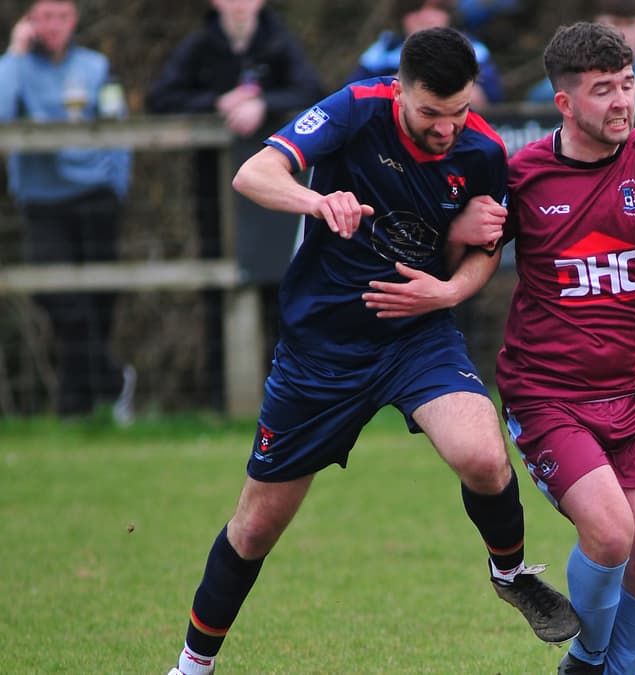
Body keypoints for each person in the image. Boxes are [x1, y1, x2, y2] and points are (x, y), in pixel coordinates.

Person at [367, 21, 635, 675]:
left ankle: (611, 668)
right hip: (549, 397)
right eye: (603, 90)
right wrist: (457, 246)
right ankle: (589, 658)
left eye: (626, 85)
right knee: (611, 530)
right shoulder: (523, 175)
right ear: (564, 103)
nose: (622, 101)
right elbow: (467, 252)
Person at [164, 27, 578, 675]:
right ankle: (193, 665)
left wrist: (444, 292)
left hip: (416, 334)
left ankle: (511, 571)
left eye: (458, 111)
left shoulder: (483, 151)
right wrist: (317, 198)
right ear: (400, 92)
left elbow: (484, 256)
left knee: (481, 451)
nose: (445, 128)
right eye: (429, 113)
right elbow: (254, 173)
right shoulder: (355, 109)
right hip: (321, 348)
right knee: (255, 527)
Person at [145, 0, 325, 411]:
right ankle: (221, 400)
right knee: (219, 291)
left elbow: (313, 92)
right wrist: (217, 103)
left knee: (285, 293)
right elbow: (161, 98)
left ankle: (293, 396)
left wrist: (266, 104)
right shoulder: (199, 46)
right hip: (214, 193)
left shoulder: (278, 41)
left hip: (278, 196)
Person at [0, 0, 136, 424]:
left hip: (95, 194)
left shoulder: (96, 66)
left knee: (98, 303)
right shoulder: (16, 67)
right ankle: (114, 382)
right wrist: (13, 54)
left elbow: (118, 125)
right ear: (30, 21)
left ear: (73, 19)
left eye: (61, 16)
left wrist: (117, 185)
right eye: (44, 17)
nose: (53, 25)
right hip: (42, 199)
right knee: (56, 294)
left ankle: (74, 408)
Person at [345, 0, 502, 108]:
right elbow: (351, 97)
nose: (425, 16)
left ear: (448, 14)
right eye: (415, 7)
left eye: (437, 8)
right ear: (402, 15)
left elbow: (490, 97)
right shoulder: (383, 51)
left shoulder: (470, 48)